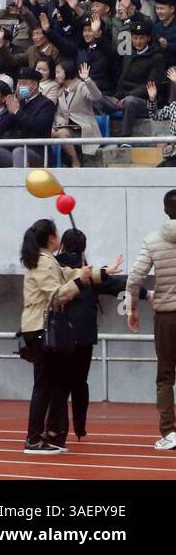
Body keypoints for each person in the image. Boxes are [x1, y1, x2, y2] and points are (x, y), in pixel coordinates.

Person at [18, 218, 121, 455]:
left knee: (47, 384)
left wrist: (103, 271)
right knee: (44, 385)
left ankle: (41, 436)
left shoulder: (47, 260)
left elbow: (71, 272)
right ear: (51, 239)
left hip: (40, 327)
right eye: (55, 234)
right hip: (40, 327)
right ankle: (33, 439)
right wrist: (79, 281)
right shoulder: (44, 262)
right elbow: (57, 295)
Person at [55, 228, 134, 441]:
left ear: (62, 244)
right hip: (84, 335)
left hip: (60, 334)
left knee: (60, 384)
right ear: (83, 247)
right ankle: (80, 426)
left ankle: (58, 429)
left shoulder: (54, 266)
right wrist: (139, 290)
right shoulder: (88, 271)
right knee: (80, 382)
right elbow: (115, 285)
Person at [126, 188, 176, 451]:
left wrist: (132, 307)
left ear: (165, 210)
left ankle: (169, 432)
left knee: (166, 377)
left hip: (167, 316)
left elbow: (135, 277)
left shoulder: (153, 239)